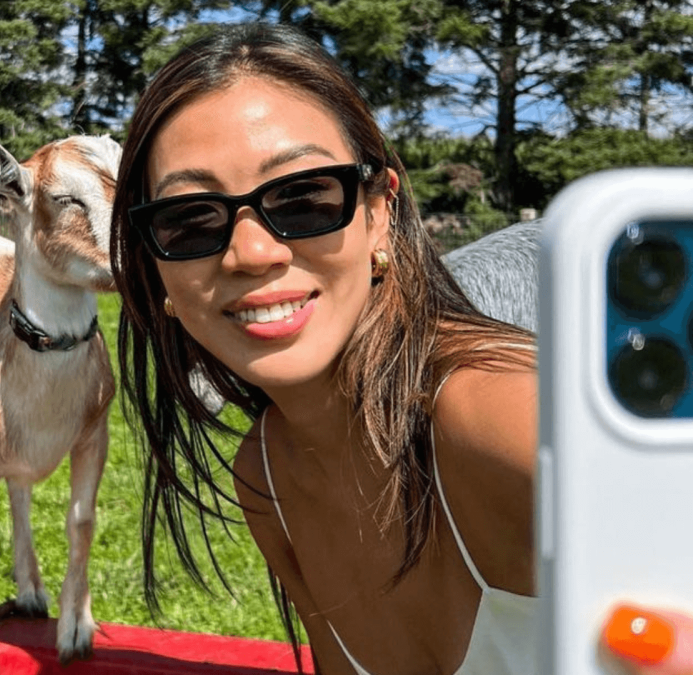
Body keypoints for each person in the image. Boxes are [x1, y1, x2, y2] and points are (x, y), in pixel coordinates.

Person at [108, 22, 537, 674]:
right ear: (155, 269)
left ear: (378, 214)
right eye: (190, 219)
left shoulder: (500, 414)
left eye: (303, 198)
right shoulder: (267, 476)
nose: (252, 252)